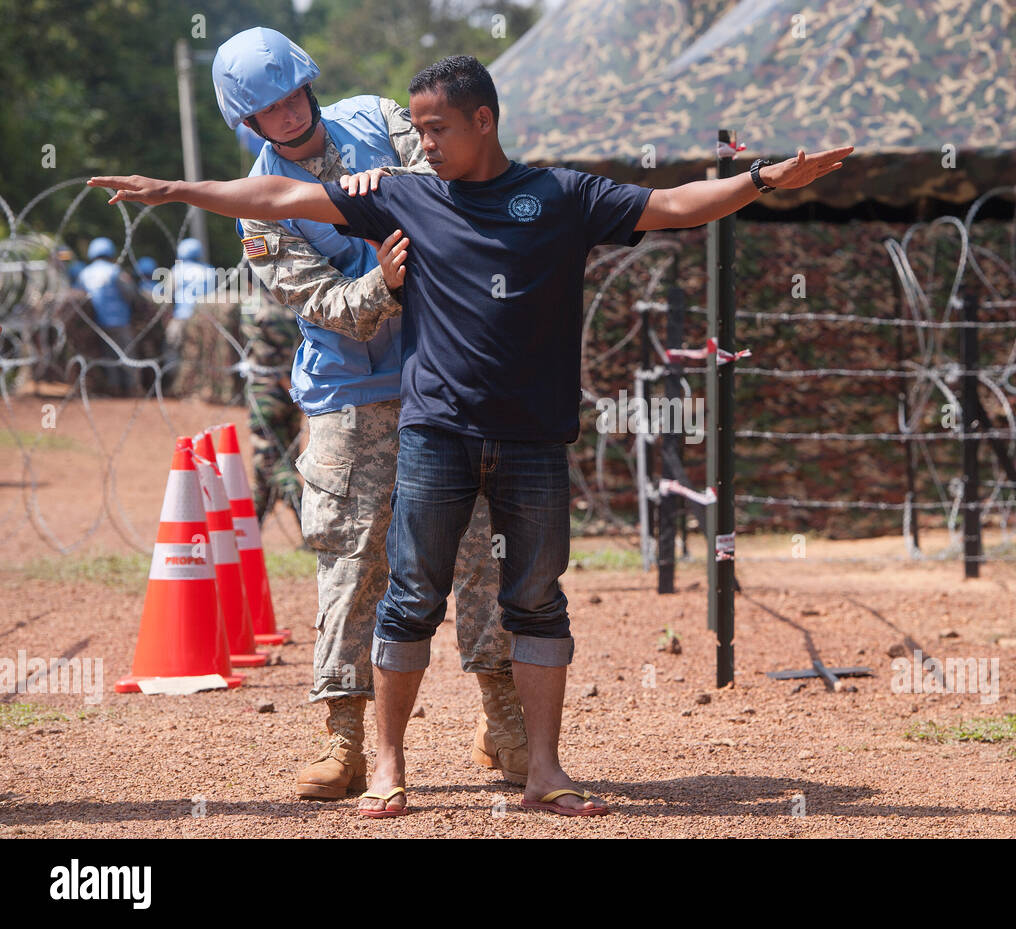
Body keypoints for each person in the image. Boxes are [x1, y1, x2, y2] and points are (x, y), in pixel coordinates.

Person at [88, 55, 851, 817]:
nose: (422, 143)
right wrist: (178, 190)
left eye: (435, 129)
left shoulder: (562, 194)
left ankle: (536, 759)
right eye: (416, 129)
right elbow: (277, 194)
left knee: (534, 598)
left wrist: (763, 180)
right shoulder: (405, 196)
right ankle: (379, 758)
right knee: (402, 592)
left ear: (483, 121)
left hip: (531, 440)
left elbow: (677, 203)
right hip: (428, 429)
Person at [209, 27, 526, 800]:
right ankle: (344, 739)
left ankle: (504, 714)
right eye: (266, 112)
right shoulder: (258, 207)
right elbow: (316, 302)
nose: (286, 116)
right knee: (354, 561)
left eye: (291, 97)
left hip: (442, 371)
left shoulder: (383, 119)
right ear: (246, 123)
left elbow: (451, 190)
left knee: (482, 543)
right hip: (349, 393)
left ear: (309, 84)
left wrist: (402, 188)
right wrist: (382, 283)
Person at [239, 278, 304, 528]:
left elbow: (264, 353)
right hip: (291, 388)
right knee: (279, 459)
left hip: (266, 389)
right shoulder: (292, 305)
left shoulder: (254, 305)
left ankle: (305, 517)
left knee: (270, 461)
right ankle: (251, 529)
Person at [75, 237, 138, 395]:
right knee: (127, 353)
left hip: (99, 321)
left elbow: (79, 296)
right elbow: (130, 294)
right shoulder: (115, 271)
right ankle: (133, 387)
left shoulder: (85, 273)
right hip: (120, 320)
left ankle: (114, 387)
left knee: (109, 355)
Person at [163, 237, 215, 393]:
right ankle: (199, 388)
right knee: (201, 352)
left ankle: (175, 386)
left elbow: (167, 296)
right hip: (202, 318)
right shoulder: (209, 270)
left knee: (172, 349)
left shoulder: (176, 270)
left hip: (181, 316)